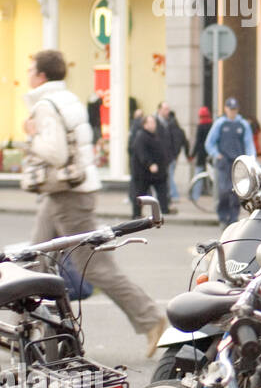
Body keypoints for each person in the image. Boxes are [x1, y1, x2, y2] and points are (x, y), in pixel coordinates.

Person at [21, 50, 167, 355]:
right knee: (36, 261)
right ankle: (44, 334)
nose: (29, 74)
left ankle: (152, 318)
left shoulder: (46, 106)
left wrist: (32, 137)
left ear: (42, 76)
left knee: (95, 267)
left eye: (32, 70)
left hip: (69, 195)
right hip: (64, 192)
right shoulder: (67, 98)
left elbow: (57, 153)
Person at [204, 97, 256, 227]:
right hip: (223, 163)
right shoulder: (220, 123)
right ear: (226, 109)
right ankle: (222, 217)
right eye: (230, 109)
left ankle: (233, 218)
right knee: (223, 191)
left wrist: (251, 158)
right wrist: (216, 154)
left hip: (238, 163)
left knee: (236, 192)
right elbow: (209, 143)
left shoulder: (243, 124)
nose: (232, 112)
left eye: (234, 109)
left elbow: (249, 143)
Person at [129, 114, 169, 217]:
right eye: (150, 122)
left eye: (154, 122)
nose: (153, 125)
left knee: (162, 189)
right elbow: (141, 153)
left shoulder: (155, 135)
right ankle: (136, 213)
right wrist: (150, 164)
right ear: (145, 125)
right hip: (143, 172)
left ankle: (164, 209)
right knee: (140, 192)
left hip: (156, 171)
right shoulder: (141, 136)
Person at [157, 101, 189, 210]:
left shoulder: (170, 124)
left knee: (168, 177)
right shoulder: (157, 123)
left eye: (168, 109)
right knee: (165, 178)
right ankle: (168, 198)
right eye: (165, 109)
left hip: (169, 157)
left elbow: (180, 141)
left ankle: (170, 197)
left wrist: (174, 154)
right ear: (159, 110)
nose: (167, 111)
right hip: (159, 158)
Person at [191, 106, 213, 171]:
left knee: (198, 172)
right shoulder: (211, 125)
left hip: (201, 154)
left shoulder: (200, 127)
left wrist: (192, 155)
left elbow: (197, 142)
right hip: (210, 152)